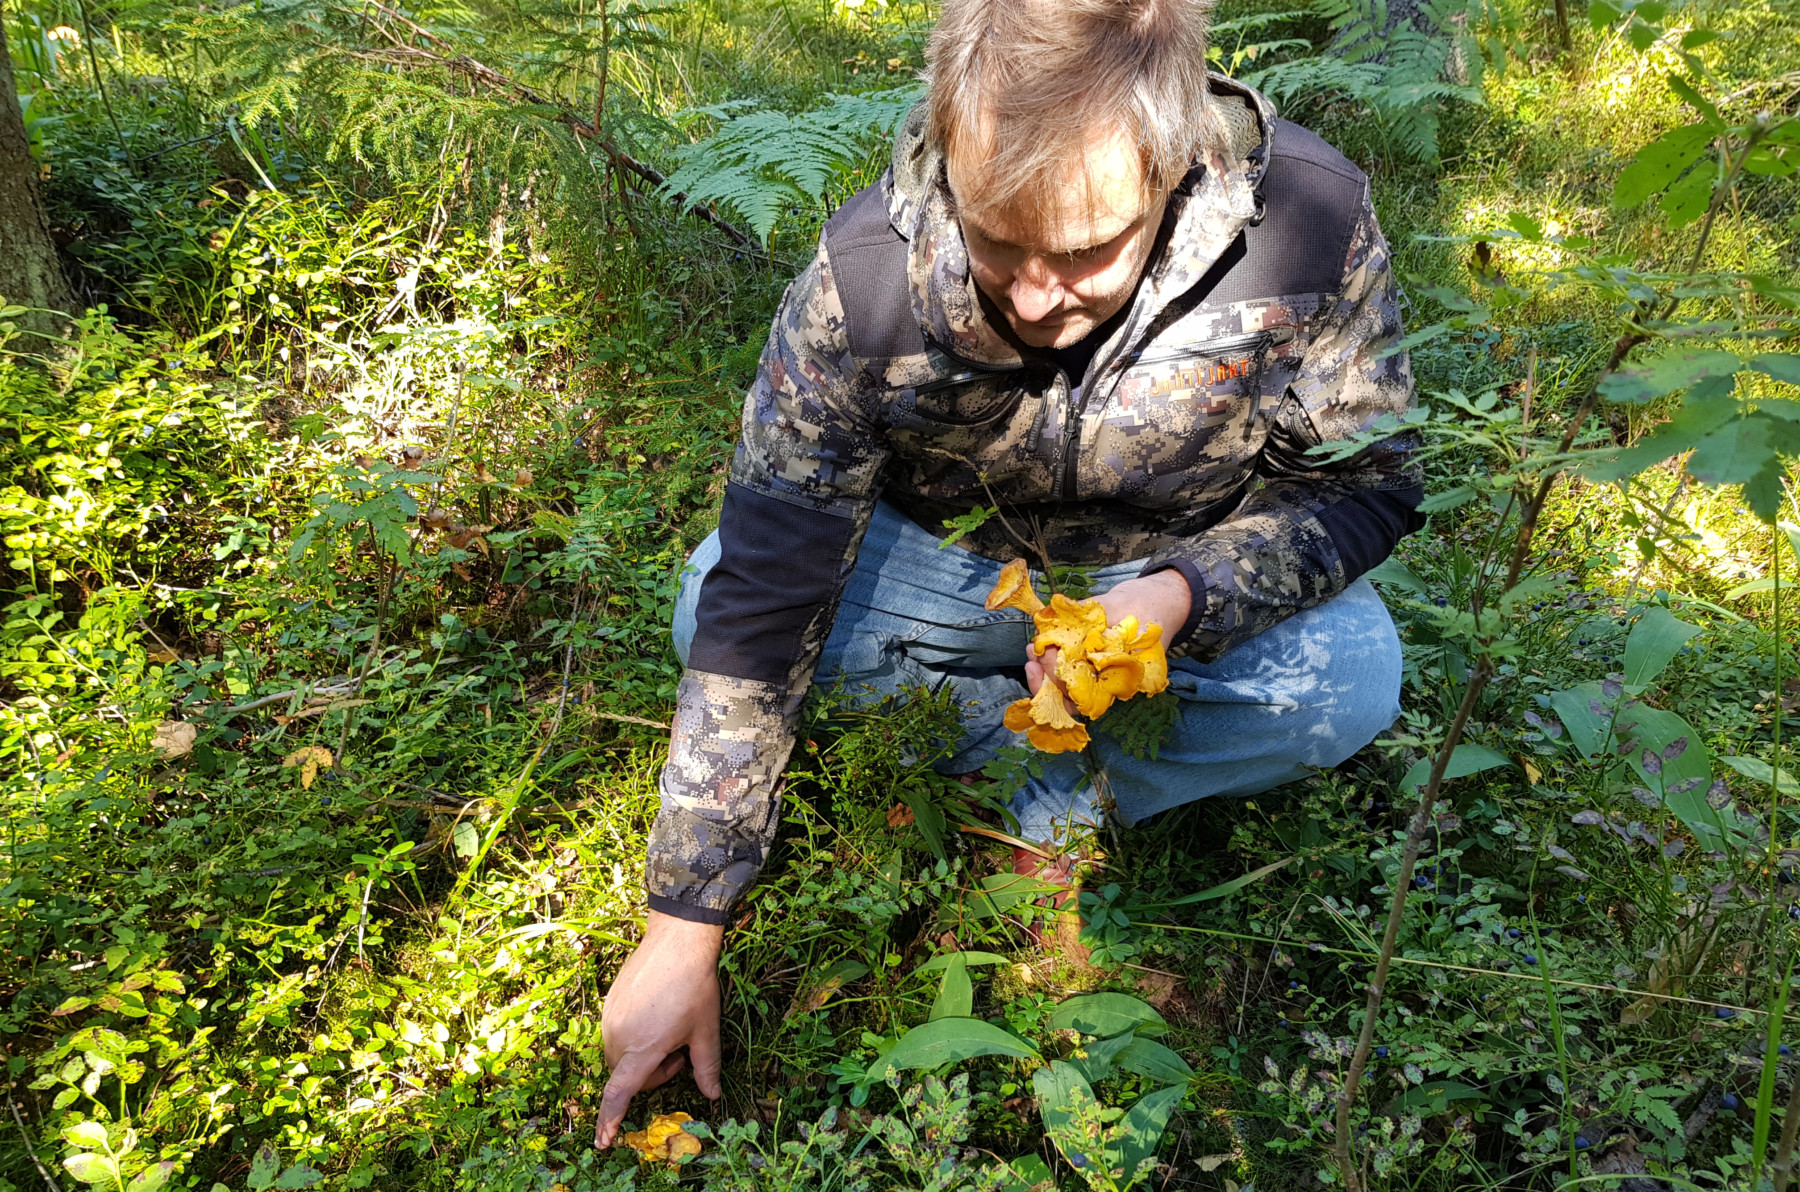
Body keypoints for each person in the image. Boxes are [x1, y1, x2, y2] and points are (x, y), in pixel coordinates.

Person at [594, 0, 1424, 1146]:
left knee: (1356, 678)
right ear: (948, 151)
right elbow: (772, 577)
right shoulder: (864, 279)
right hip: (941, 575)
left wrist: (1181, 597)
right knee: (706, 597)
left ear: (1173, 165)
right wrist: (682, 923)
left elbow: (1366, 483)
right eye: (998, 242)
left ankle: (1024, 766)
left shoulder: (1313, 224)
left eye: (1086, 251)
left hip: (1170, 590)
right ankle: (1034, 762)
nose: (1036, 301)